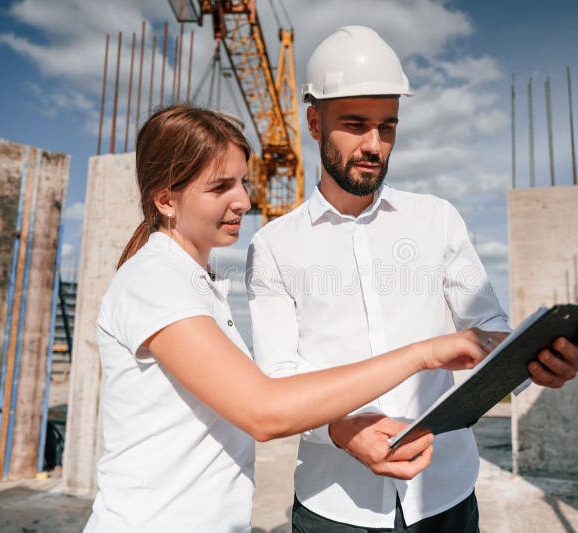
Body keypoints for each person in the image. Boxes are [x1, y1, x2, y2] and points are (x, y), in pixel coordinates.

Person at [245, 26, 578, 532]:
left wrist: (535, 361)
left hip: (445, 497)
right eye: (355, 124)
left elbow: (487, 331)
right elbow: (280, 379)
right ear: (314, 123)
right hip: (334, 507)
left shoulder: (438, 220)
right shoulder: (274, 247)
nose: (374, 144)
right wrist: (341, 429)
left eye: (387, 126)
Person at [83, 104, 491, 533]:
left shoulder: (192, 280)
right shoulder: (155, 281)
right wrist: (422, 354)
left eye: (242, 181)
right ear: (166, 199)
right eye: (220, 186)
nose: (243, 200)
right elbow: (265, 410)